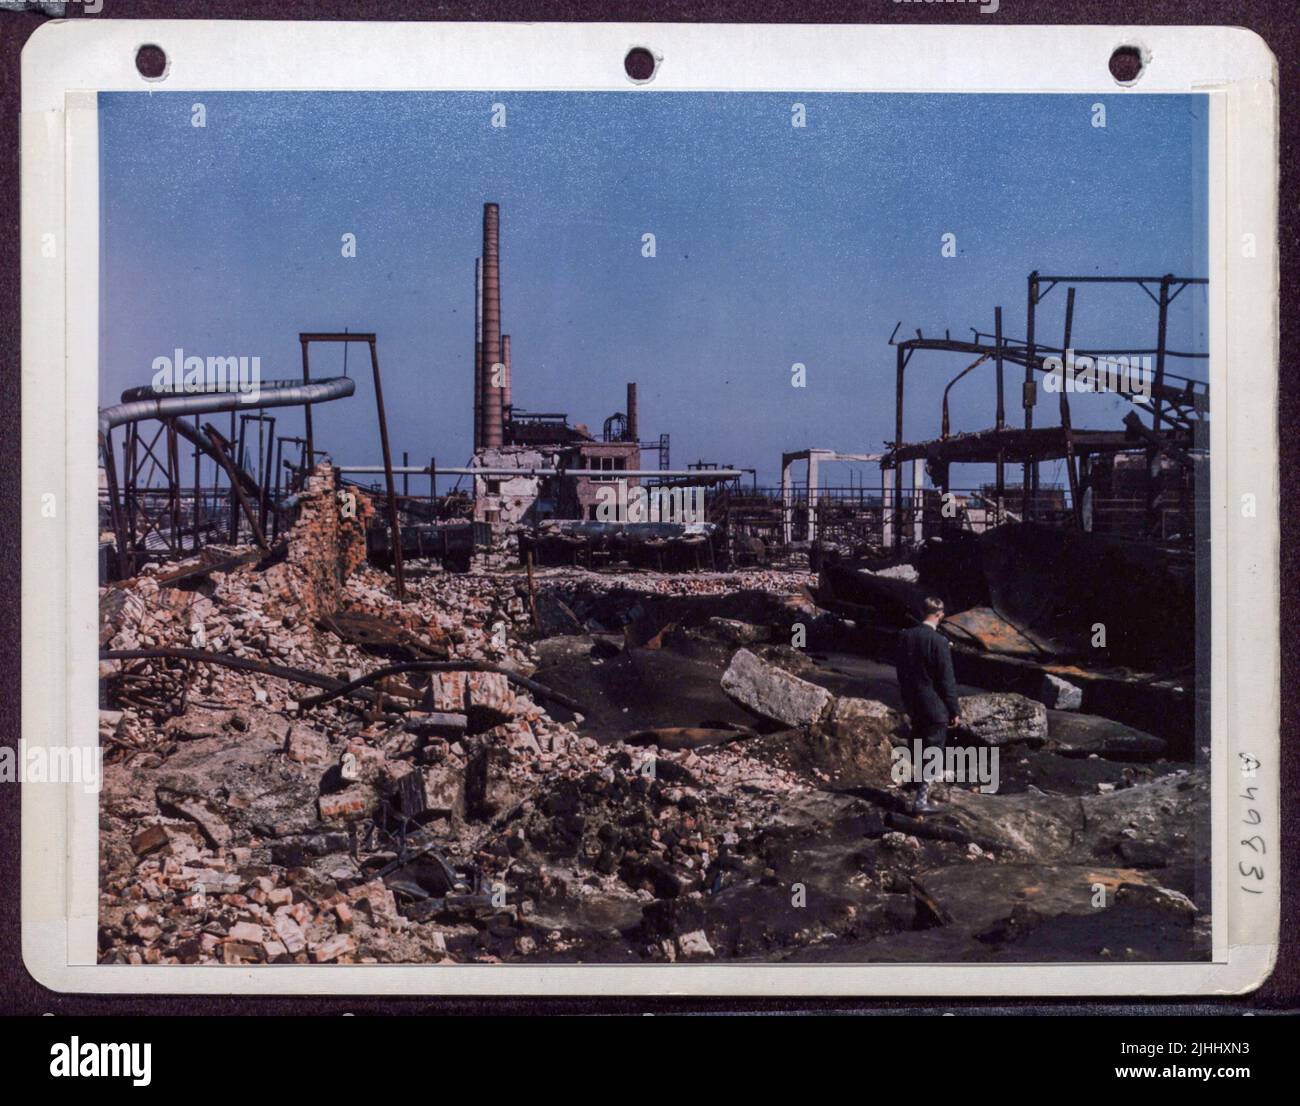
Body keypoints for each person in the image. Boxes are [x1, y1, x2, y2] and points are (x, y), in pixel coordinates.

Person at [895, 595, 962, 813]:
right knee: (934, 752)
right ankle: (921, 801)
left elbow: (901, 673)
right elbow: (947, 680)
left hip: (913, 703)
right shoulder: (939, 642)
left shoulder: (905, 636)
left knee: (919, 747)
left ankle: (912, 790)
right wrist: (954, 709)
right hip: (935, 706)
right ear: (940, 614)